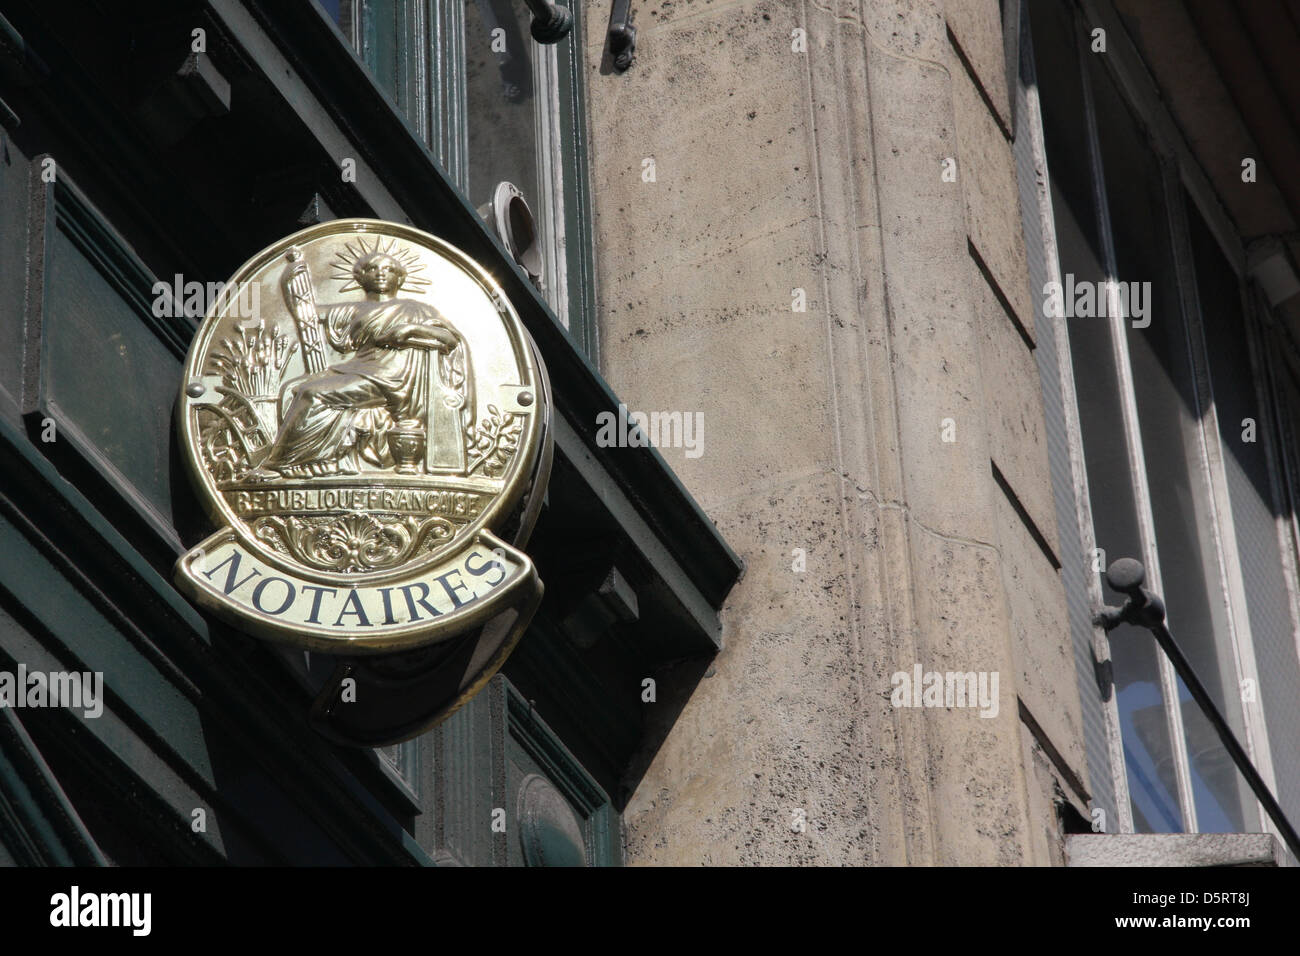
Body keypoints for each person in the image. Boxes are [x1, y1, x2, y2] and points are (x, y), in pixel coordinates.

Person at [251, 251, 468, 479]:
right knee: (292, 389)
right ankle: (324, 462)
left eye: (389, 269)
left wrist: (411, 329)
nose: (380, 273)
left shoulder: (417, 309)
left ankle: (279, 465)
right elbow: (308, 314)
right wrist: (292, 278)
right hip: (360, 370)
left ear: (401, 278)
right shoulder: (354, 310)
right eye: (372, 268)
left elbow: (449, 339)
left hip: (393, 379)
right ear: (360, 277)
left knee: (312, 393)